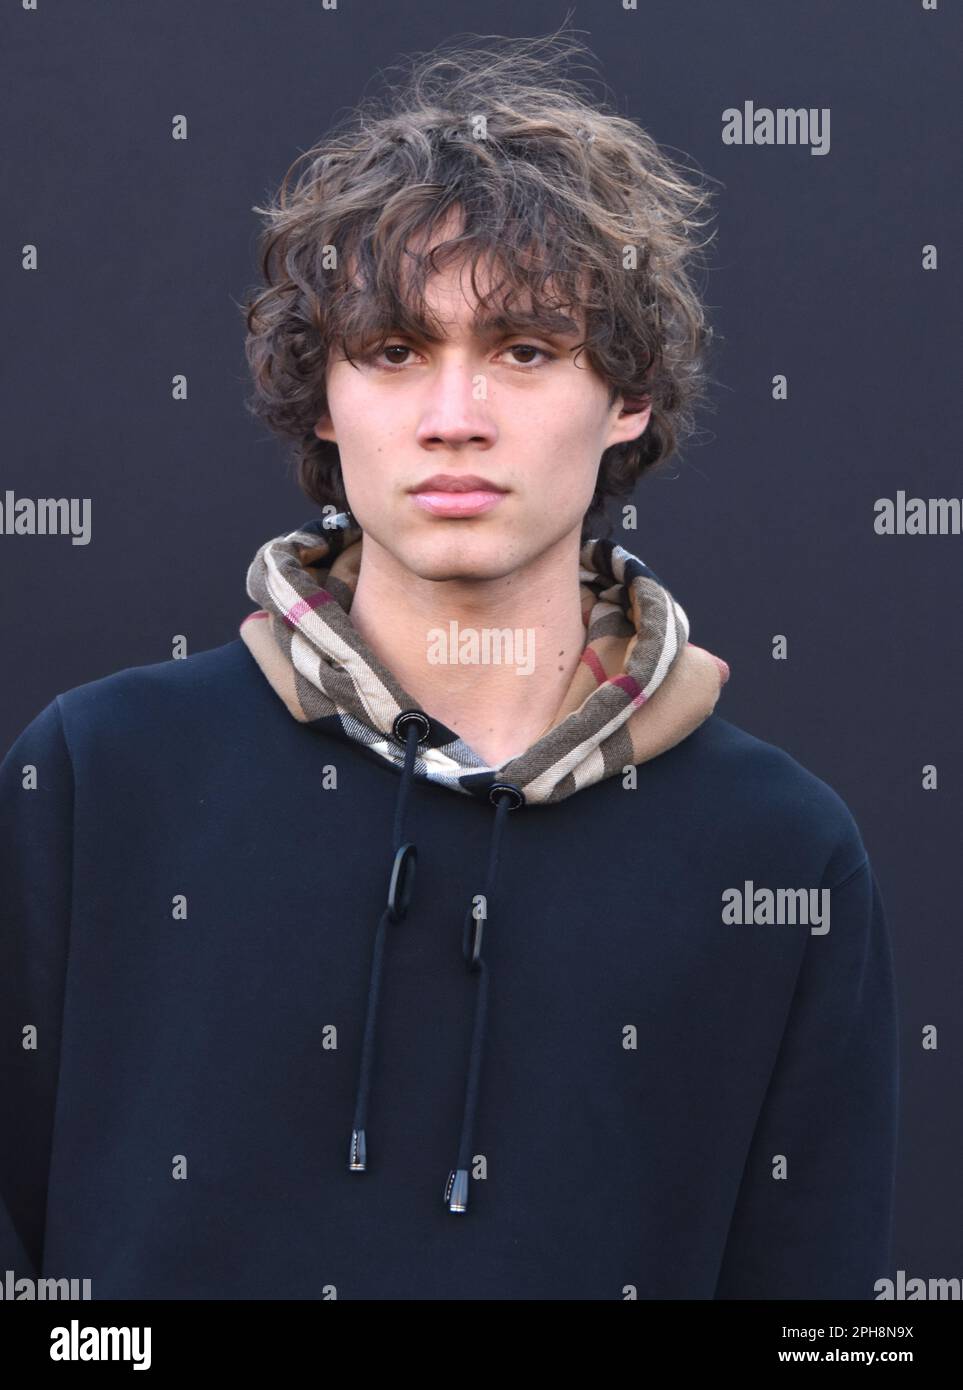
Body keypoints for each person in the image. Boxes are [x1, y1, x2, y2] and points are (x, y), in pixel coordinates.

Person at [0, 30, 897, 1300]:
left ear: (626, 395)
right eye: (392, 350)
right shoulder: (97, 777)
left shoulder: (781, 850)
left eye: (526, 351)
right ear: (325, 398)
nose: (453, 413)